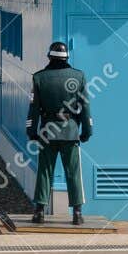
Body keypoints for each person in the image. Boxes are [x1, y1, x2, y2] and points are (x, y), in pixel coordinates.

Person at [26, 40, 91, 225]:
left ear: (49, 57)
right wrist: (87, 130)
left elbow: (34, 108)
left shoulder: (39, 78)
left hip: (47, 132)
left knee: (45, 172)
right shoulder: (79, 76)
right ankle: (77, 213)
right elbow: (85, 107)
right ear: (67, 58)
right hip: (70, 132)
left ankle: (39, 211)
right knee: (73, 172)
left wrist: (31, 130)